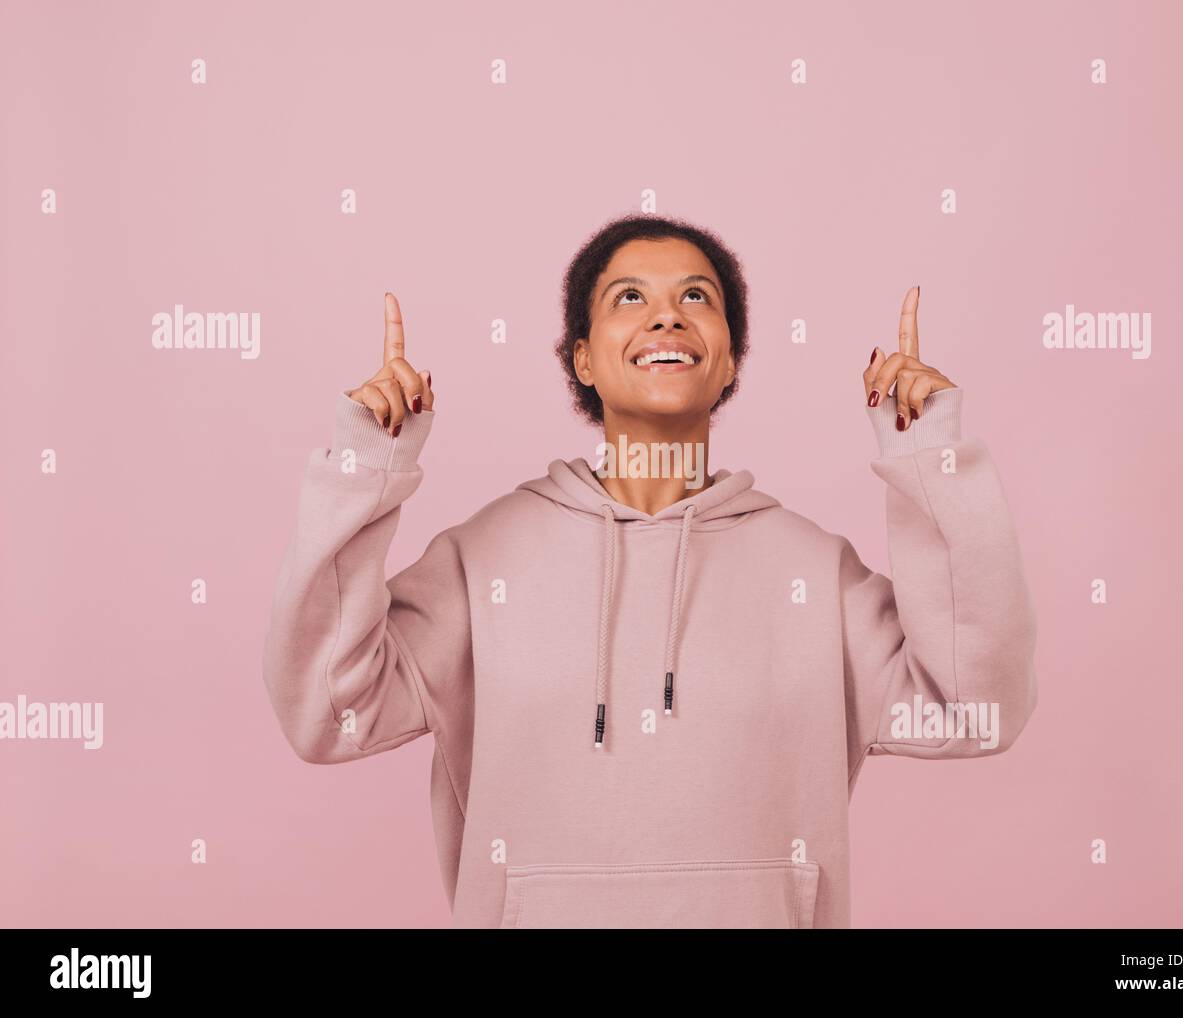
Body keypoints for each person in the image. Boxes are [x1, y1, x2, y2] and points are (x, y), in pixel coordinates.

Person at [261, 213, 1038, 929]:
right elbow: (327, 715)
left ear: (729, 356)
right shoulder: (482, 561)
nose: (667, 315)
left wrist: (930, 460)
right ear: (584, 359)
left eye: (696, 297)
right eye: (629, 297)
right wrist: (365, 468)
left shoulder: (814, 572)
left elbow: (975, 708)